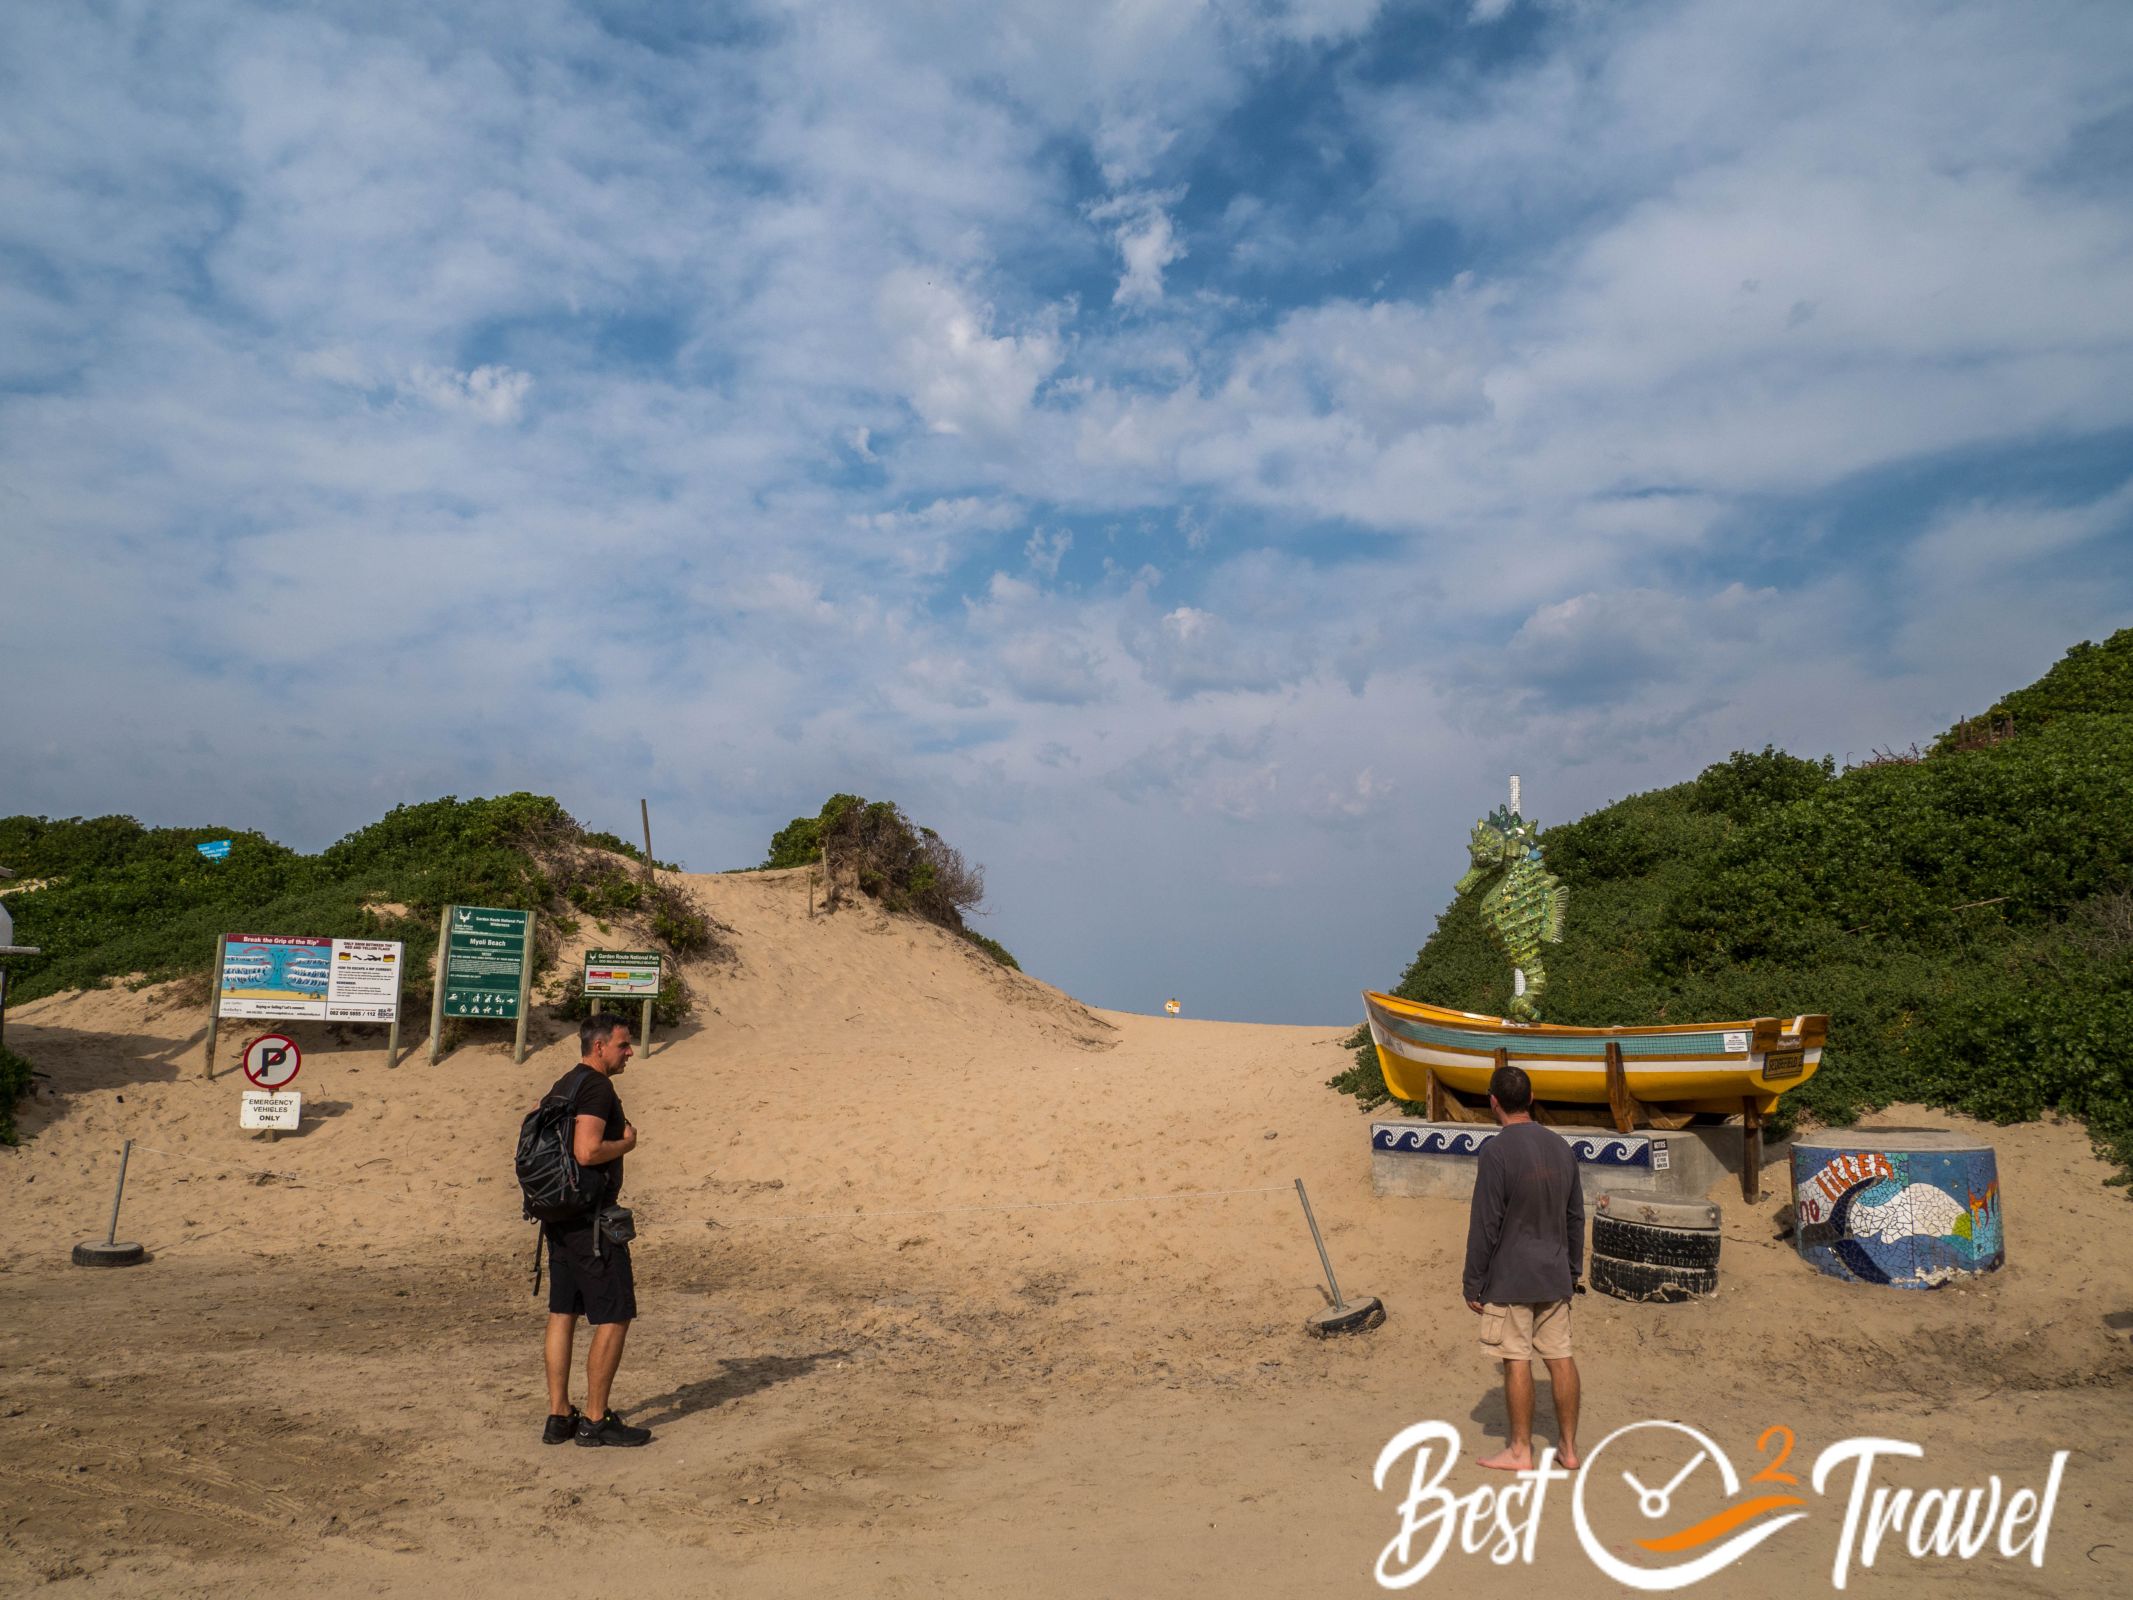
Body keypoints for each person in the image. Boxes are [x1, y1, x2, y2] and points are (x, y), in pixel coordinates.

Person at [1462, 1062, 1584, 1471]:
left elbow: (1486, 1222)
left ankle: (1519, 1450)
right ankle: (1568, 1449)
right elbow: (1575, 1216)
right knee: (1560, 1357)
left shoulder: (1496, 1152)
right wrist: (1573, 1270)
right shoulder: (1561, 1147)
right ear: (1531, 1099)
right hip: (1554, 1273)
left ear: (1493, 1103)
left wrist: (1472, 1282)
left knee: (1516, 1359)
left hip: (1511, 1277)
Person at [541, 1013, 652, 1448]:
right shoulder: (597, 1086)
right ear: (599, 1046)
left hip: (559, 1218)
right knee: (615, 1315)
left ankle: (558, 1416)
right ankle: (594, 1419)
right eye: (624, 1045)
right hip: (591, 1222)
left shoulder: (563, 1083)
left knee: (563, 1313)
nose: (629, 1053)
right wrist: (626, 1144)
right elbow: (587, 1151)